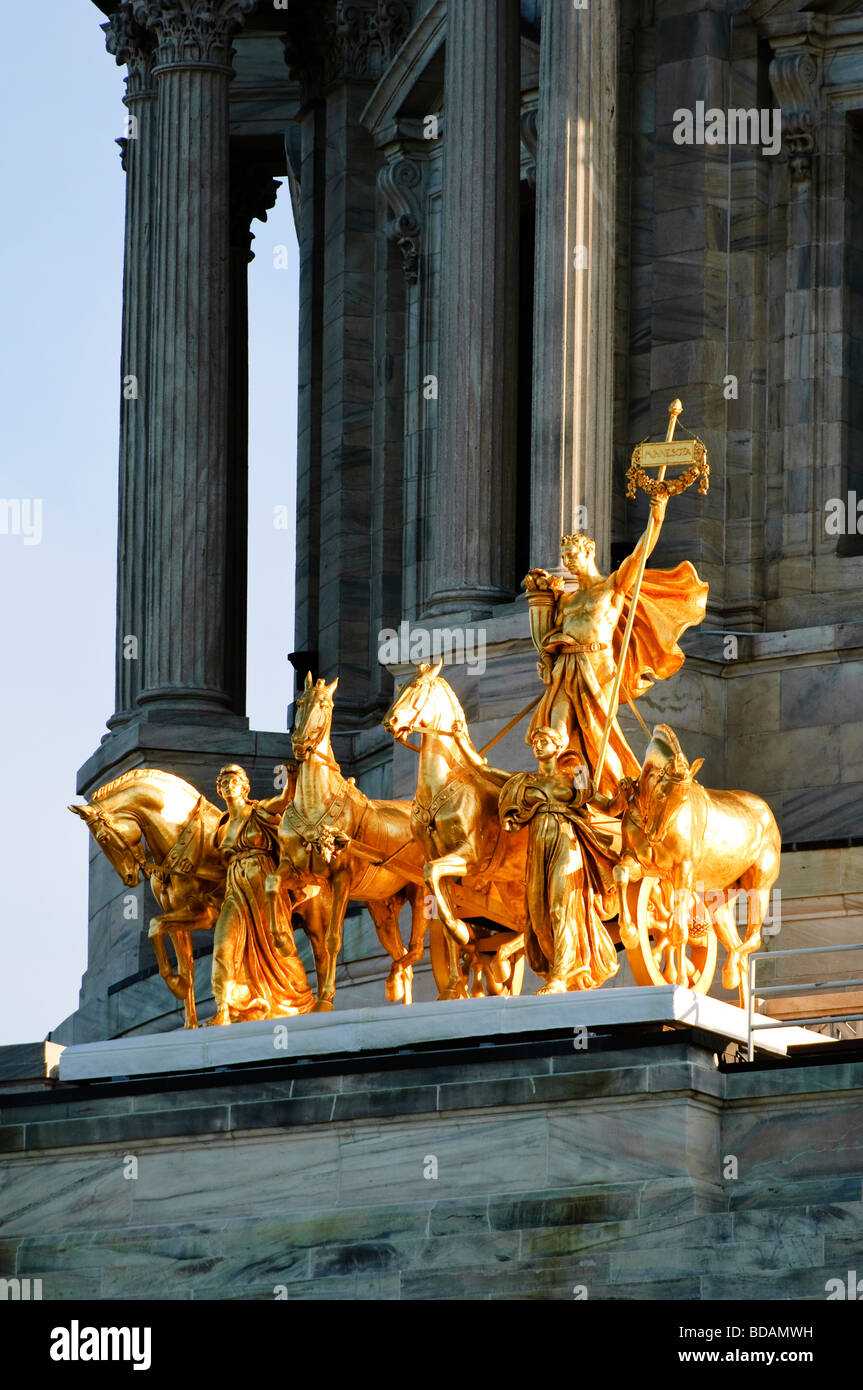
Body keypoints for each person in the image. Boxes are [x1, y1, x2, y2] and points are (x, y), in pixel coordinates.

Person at [523, 491, 708, 796]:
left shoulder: (613, 587)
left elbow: (639, 555)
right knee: (557, 732)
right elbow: (550, 639)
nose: (568, 561)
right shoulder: (566, 600)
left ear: (589, 552)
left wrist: (657, 518)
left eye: (574, 554)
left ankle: (614, 790)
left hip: (600, 669)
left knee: (598, 736)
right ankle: (559, 790)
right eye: (565, 556)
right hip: (567, 668)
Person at [499, 726, 619, 993]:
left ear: (558, 745)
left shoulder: (574, 776)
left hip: (566, 840)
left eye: (544, 740)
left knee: (559, 906)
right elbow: (492, 775)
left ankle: (561, 974)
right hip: (537, 847)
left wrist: (625, 794)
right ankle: (560, 966)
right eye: (535, 741)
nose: (538, 745)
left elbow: (606, 805)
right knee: (538, 917)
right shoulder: (526, 782)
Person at [207, 764, 314, 1025]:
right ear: (219, 790)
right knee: (224, 945)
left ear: (245, 787)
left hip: (264, 885)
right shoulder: (220, 828)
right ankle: (224, 1007)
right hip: (235, 889)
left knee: (274, 944)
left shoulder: (258, 810)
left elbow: (285, 800)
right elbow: (215, 866)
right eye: (224, 783)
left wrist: (291, 777)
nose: (228, 785)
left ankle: (295, 998)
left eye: (234, 781)